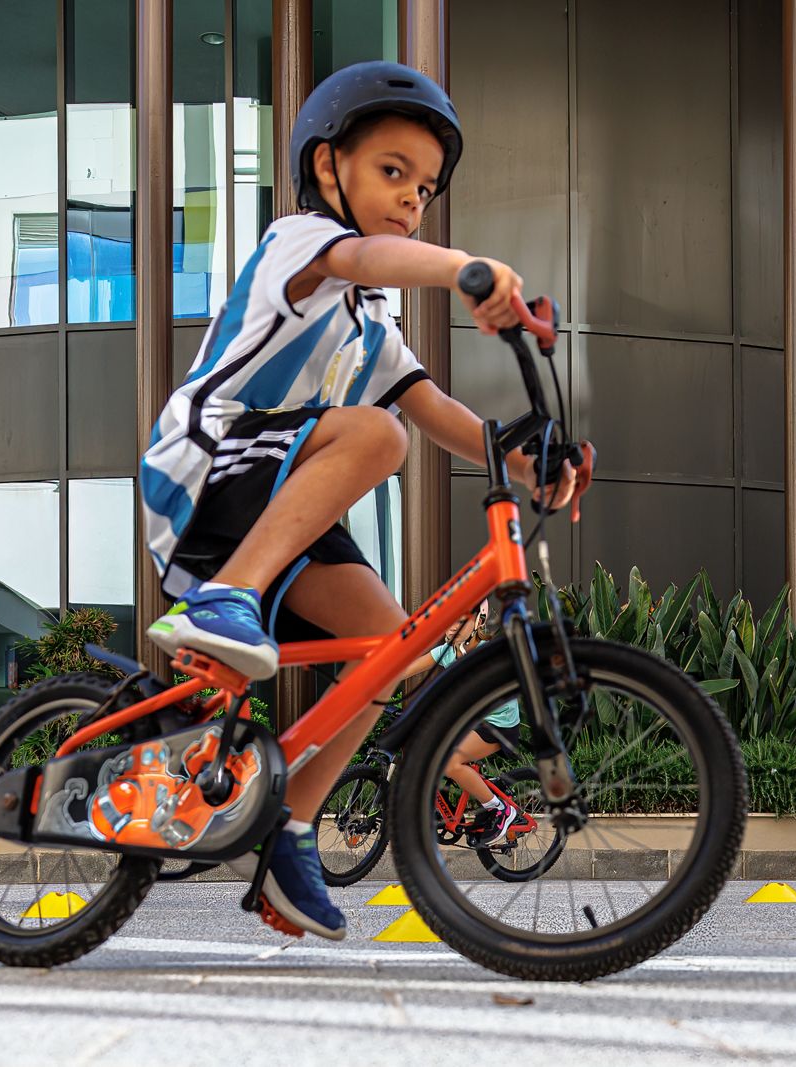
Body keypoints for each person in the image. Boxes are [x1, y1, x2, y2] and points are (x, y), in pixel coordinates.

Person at [139, 61, 585, 940]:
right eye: (392, 172)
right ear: (325, 168)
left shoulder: (373, 323)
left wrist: (530, 465)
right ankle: (231, 596)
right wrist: (465, 266)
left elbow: (439, 408)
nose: (411, 200)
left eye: (424, 188)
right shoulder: (299, 244)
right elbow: (368, 255)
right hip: (203, 470)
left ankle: (288, 828)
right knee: (378, 438)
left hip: (273, 504)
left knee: (390, 654)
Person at [404, 600, 522, 849]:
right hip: (474, 720)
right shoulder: (447, 651)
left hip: (497, 725)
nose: (452, 627)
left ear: (478, 622)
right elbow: (406, 670)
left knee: (449, 760)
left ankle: (499, 810)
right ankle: (444, 809)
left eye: (461, 621)